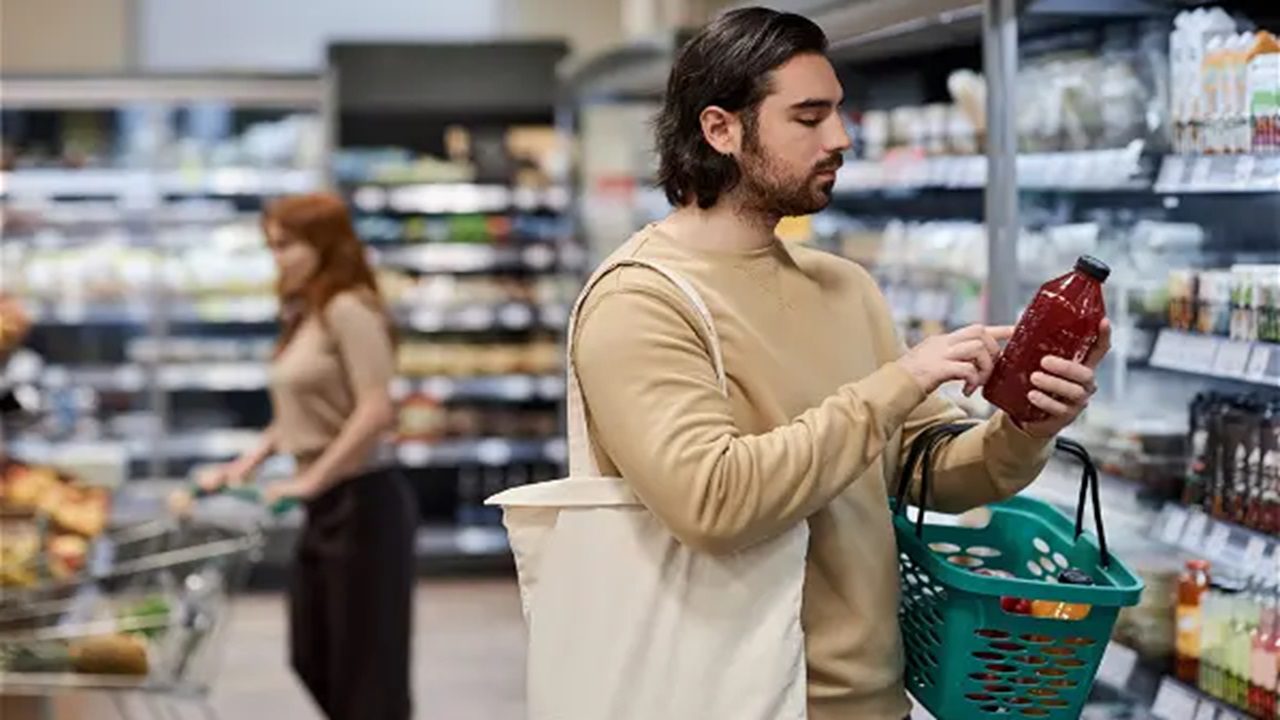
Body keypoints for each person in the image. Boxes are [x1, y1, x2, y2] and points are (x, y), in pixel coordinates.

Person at [571, 8, 1111, 720]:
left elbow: (923, 472)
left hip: (874, 699)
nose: (841, 138)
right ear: (720, 129)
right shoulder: (641, 299)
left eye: (839, 113)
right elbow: (713, 503)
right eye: (809, 117)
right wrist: (900, 381)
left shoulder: (843, 287)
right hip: (729, 698)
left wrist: (1029, 420)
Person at [193, 193, 414, 720]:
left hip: (364, 502)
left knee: (365, 674)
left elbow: (375, 409)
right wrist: (245, 465)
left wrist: (312, 479)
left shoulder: (349, 306)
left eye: (287, 245)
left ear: (325, 242)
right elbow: (298, 411)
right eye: (272, 246)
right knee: (313, 655)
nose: (279, 258)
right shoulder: (309, 312)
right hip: (329, 504)